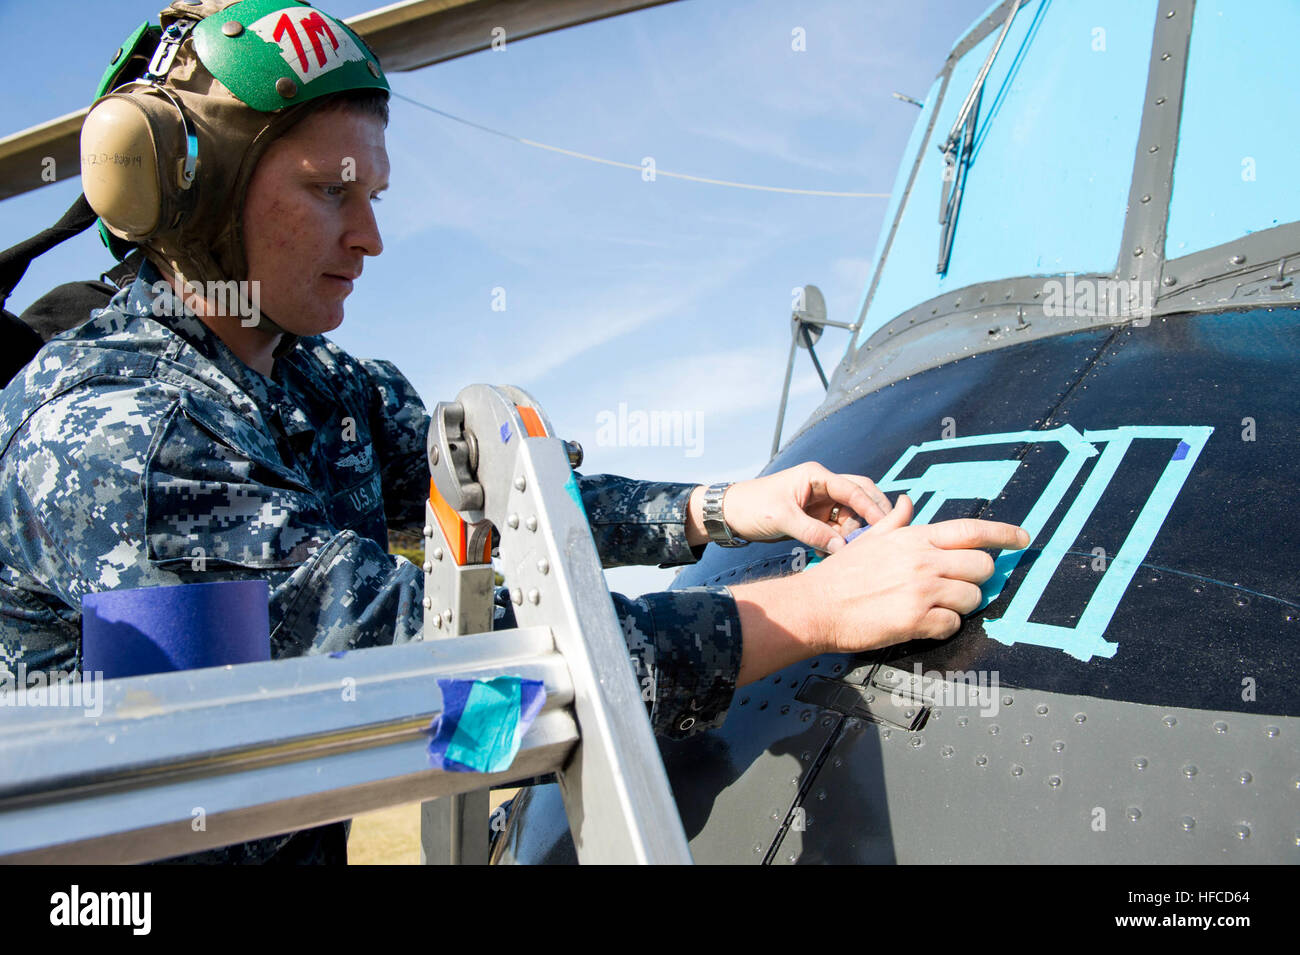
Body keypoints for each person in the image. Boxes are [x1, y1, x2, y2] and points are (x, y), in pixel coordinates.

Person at [0, 0, 1027, 864]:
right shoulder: (125, 439)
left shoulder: (313, 383)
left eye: (374, 196)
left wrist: (713, 509)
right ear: (198, 194)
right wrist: (810, 611)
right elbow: (446, 676)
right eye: (328, 192)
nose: (370, 237)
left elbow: (502, 502)